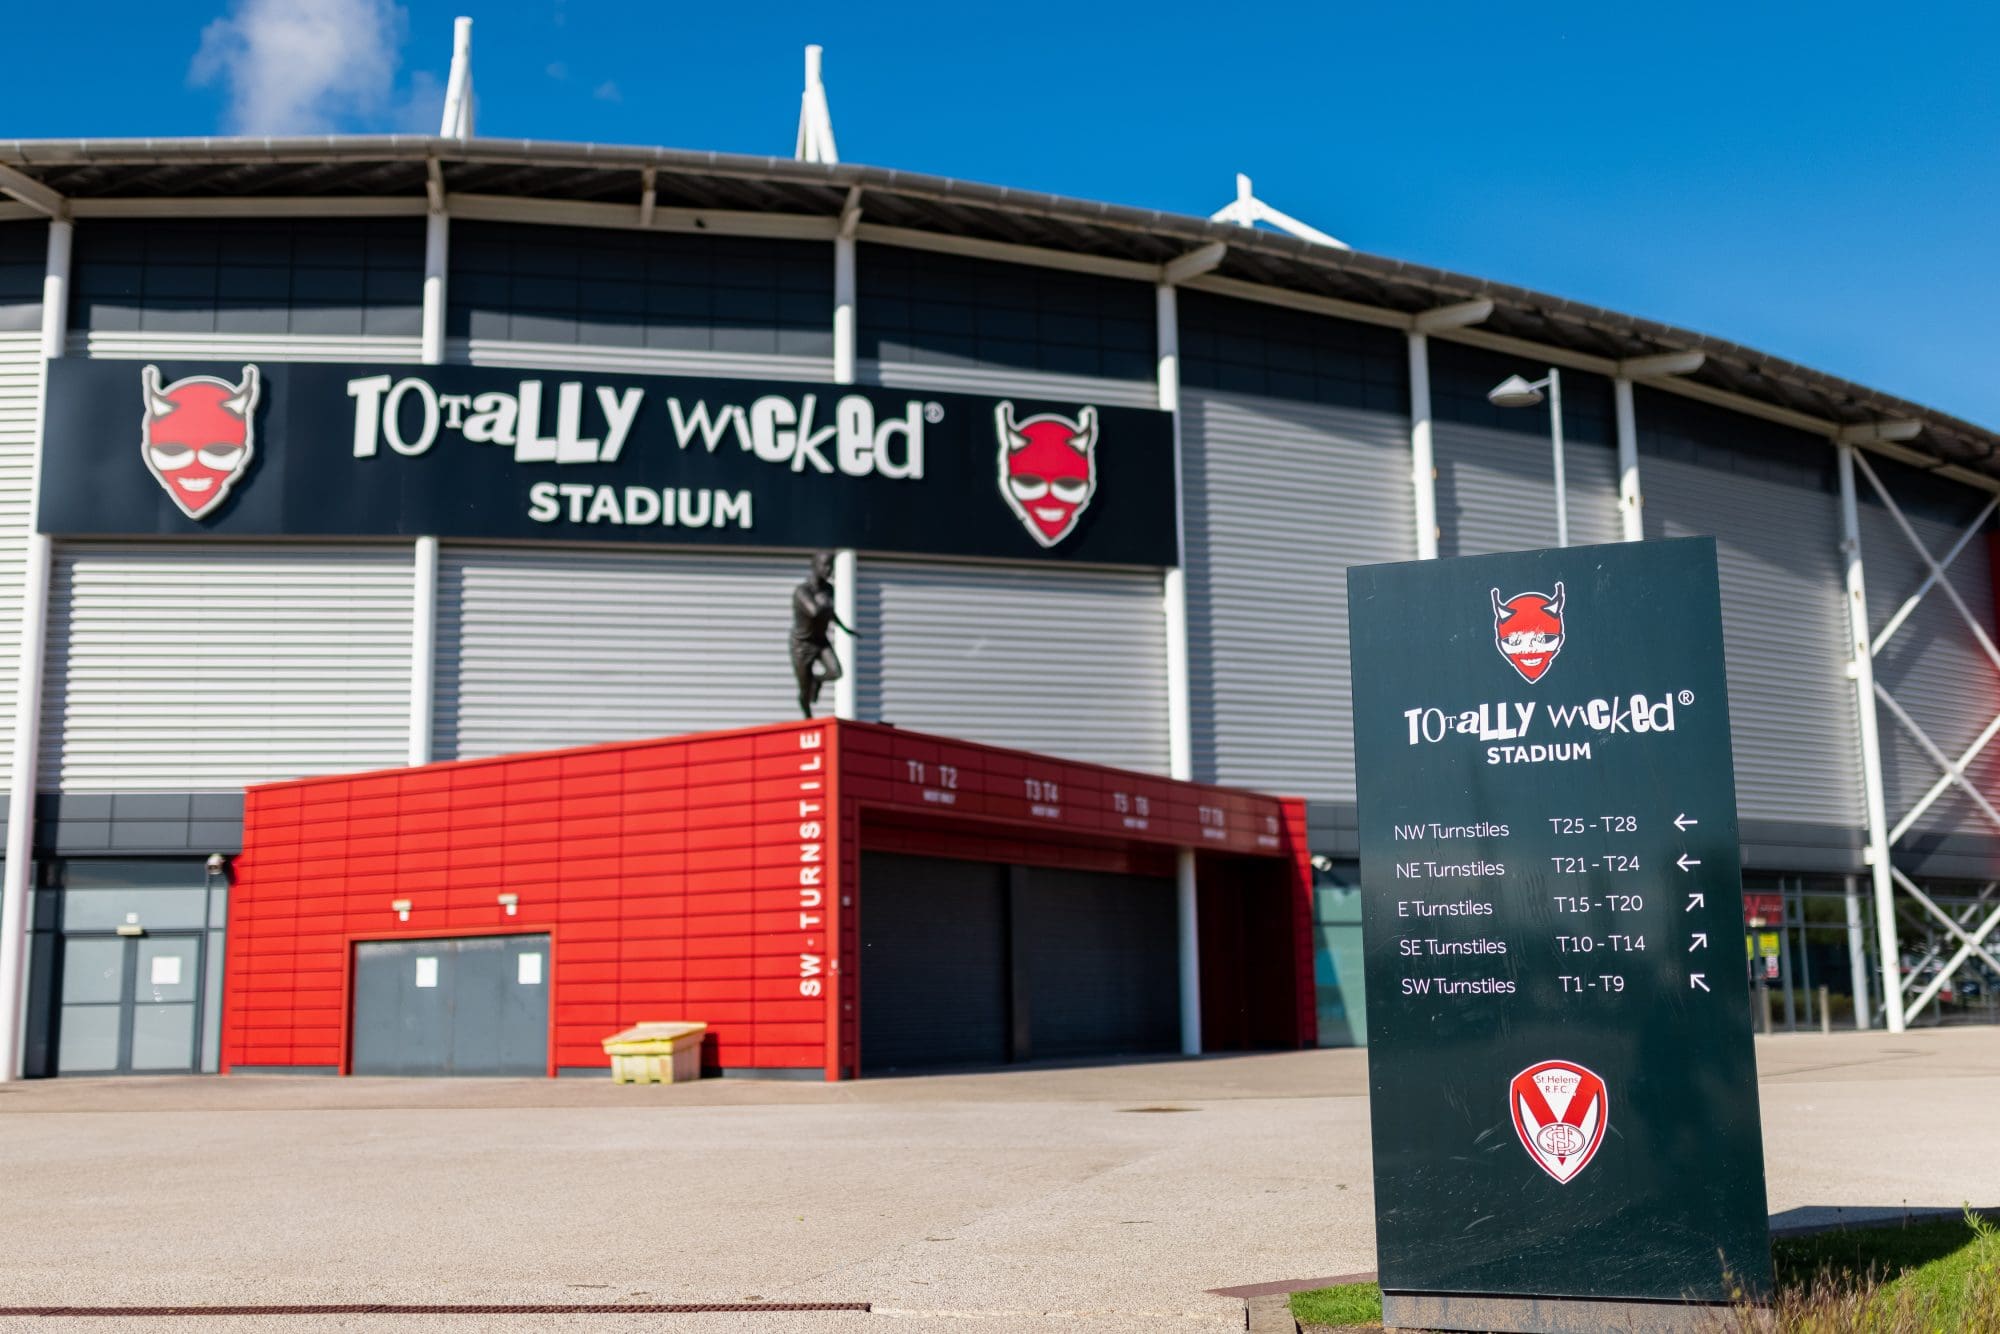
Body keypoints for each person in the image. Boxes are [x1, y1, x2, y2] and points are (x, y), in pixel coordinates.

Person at [790, 551, 855, 718]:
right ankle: (808, 718)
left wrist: (845, 628)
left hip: (820, 641)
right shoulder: (802, 591)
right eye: (825, 565)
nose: (829, 570)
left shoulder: (829, 589)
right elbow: (814, 611)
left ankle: (817, 680)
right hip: (802, 645)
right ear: (815, 566)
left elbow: (830, 612)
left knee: (836, 672)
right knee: (804, 689)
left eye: (831, 566)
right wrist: (826, 605)